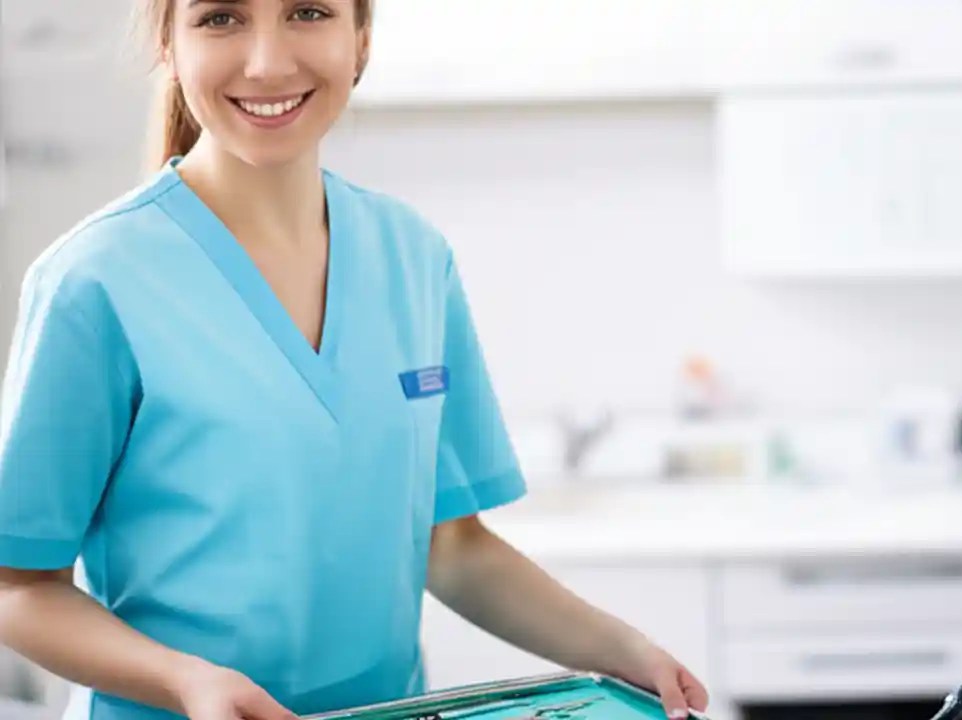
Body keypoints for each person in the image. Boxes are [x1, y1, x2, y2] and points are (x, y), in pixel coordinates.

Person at [0, 3, 710, 720]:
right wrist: (187, 682)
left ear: (361, 41)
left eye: (308, 12)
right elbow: (18, 588)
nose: (268, 62)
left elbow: (451, 545)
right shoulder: (93, 283)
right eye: (221, 18)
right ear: (168, 43)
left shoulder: (414, 258)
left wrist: (618, 647)